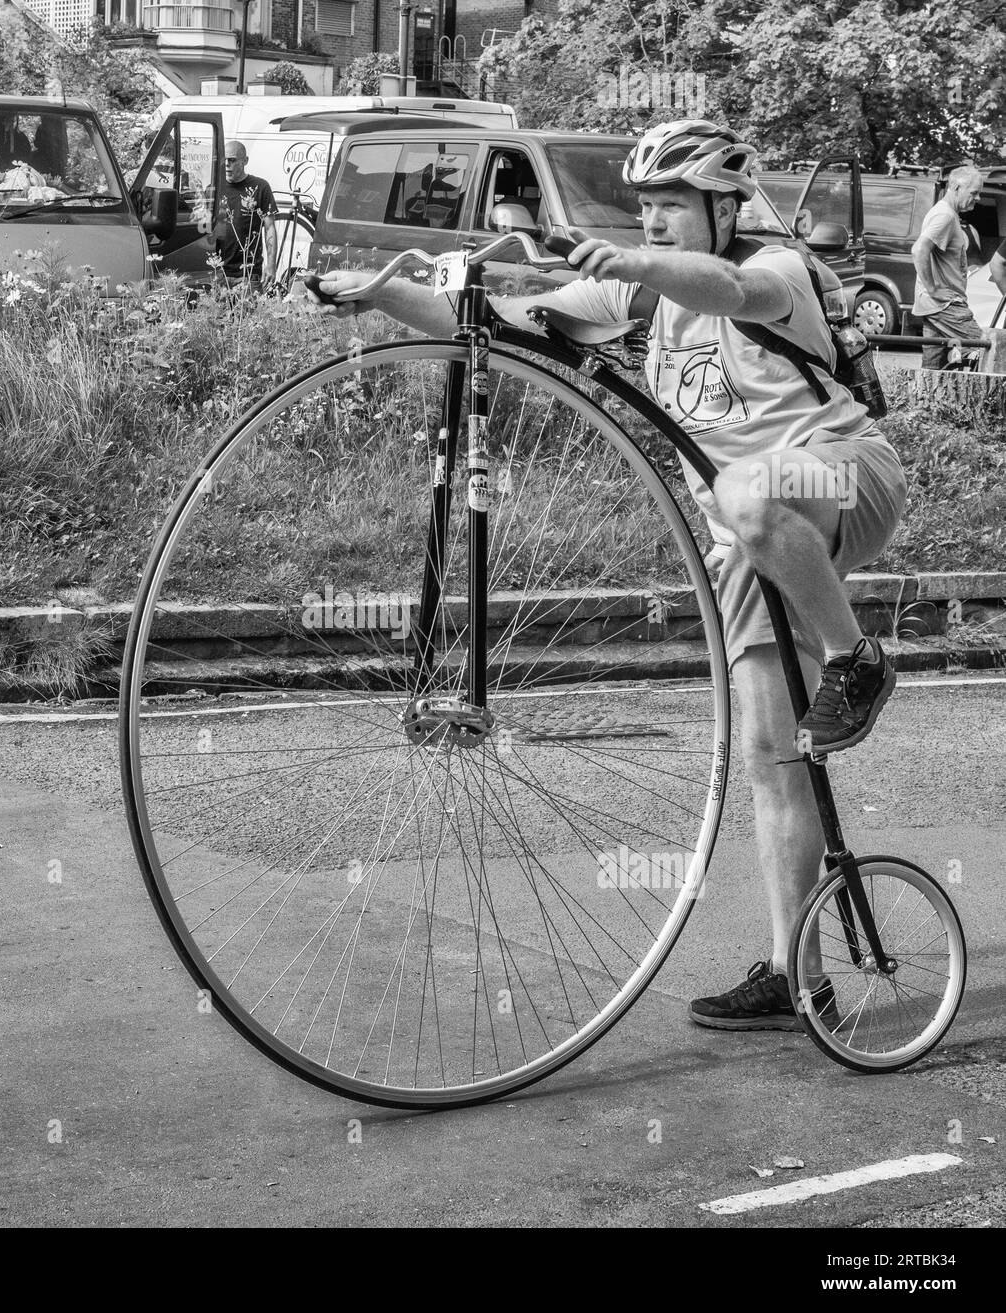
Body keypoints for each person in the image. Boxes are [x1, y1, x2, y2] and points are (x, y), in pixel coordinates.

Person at [301, 119, 908, 1034]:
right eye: (647, 208)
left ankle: (857, 659)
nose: (654, 223)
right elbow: (500, 325)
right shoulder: (648, 299)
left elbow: (729, 286)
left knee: (745, 491)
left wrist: (630, 263)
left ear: (723, 206)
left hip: (839, 473)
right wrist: (382, 297)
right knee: (772, 756)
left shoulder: (777, 273)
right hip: (754, 532)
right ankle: (797, 975)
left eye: (672, 206)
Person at [912, 165, 985, 370]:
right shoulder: (944, 216)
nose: (978, 198)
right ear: (956, 187)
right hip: (945, 305)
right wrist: (934, 288)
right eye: (974, 192)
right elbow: (919, 251)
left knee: (933, 371)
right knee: (987, 349)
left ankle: (925, 402)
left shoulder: (944, 213)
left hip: (933, 305)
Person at [215, 140, 277, 286]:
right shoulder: (214, 187)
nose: (228, 164)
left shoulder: (260, 187)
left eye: (232, 160)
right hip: (219, 271)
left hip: (249, 271)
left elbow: (270, 228)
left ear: (245, 161)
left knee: (248, 309)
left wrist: (271, 265)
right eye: (225, 160)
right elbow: (204, 229)